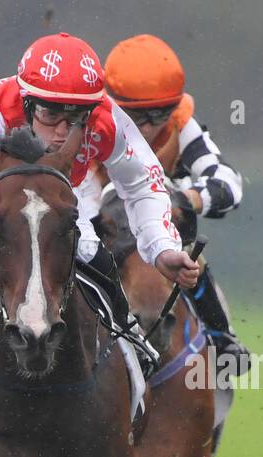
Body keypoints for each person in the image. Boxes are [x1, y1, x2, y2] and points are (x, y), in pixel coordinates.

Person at [0, 32, 196, 384]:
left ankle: (127, 335)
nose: (61, 131)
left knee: (92, 250)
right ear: (26, 102)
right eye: (51, 113)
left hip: (53, 206)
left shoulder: (106, 119)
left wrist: (161, 248)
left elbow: (145, 183)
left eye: (76, 118)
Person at [98, 33, 247, 364]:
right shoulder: (89, 125)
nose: (149, 129)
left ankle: (221, 337)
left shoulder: (182, 126)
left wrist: (184, 199)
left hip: (162, 238)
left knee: (192, 260)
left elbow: (228, 182)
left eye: (160, 114)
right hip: (102, 234)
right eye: (138, 117)